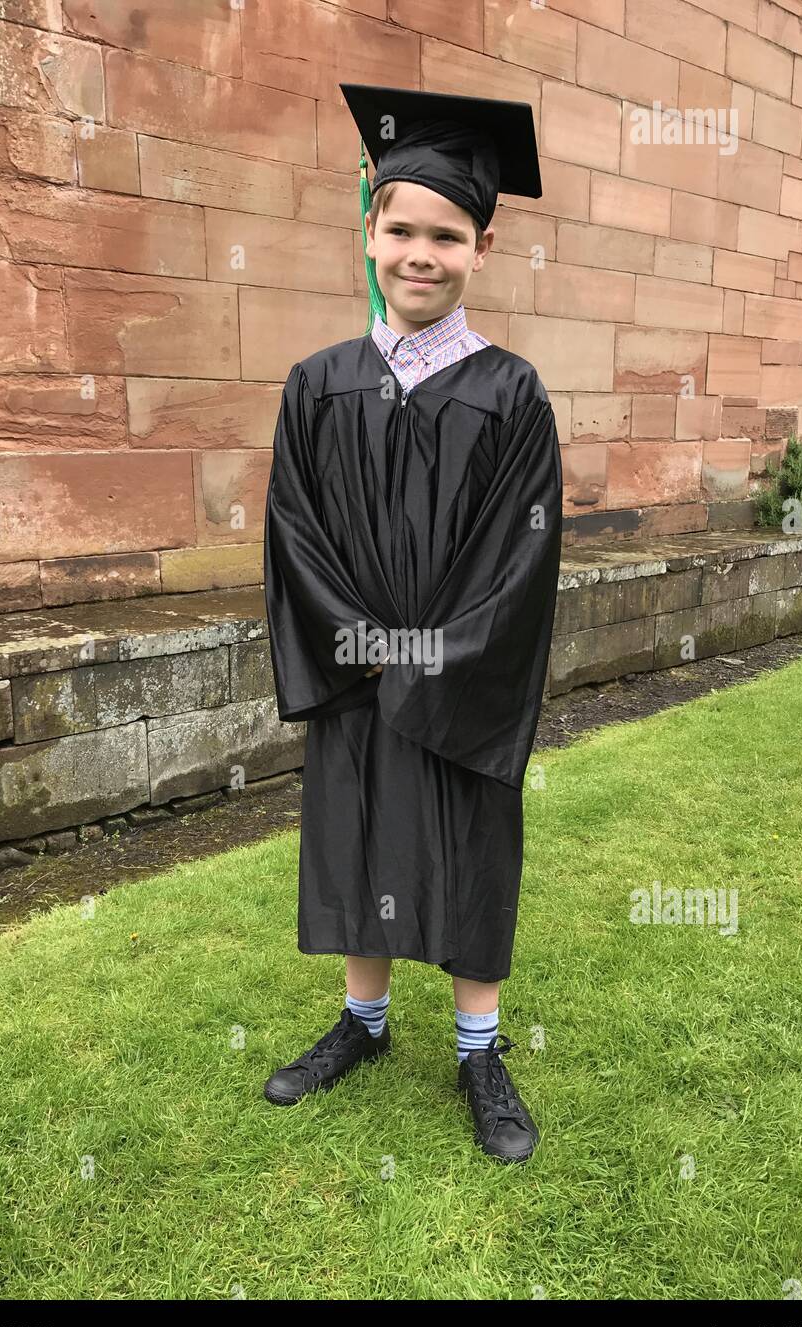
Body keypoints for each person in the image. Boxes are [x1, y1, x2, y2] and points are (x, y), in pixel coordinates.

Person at [261, 84, 563, 1163]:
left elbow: (521, 555)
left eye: (447, 234)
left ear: (483, 245)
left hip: (459, 671)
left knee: (471, 836)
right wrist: (365, 645)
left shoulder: (513, 394)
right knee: (359, 829)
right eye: (401, 230)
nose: (420, 254)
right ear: (370, 231)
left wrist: (434, 658)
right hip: (357, 667)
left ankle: (479, 1048)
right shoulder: (319, 385)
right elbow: (294, 532)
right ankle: (365, 1023)